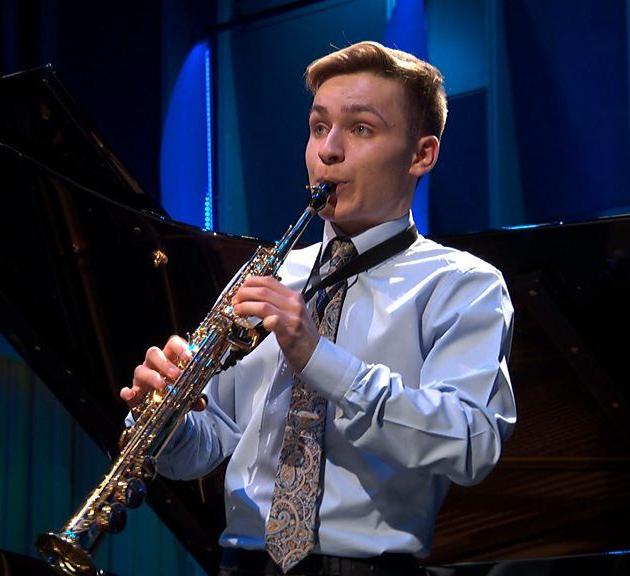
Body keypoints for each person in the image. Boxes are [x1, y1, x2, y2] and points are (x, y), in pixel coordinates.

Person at [120, 40, 516, 576]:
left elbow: (471, 443)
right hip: (240, 563)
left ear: (422, 154)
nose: (327, 152)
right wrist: (164, 418)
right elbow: (206, 448)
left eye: (360, 129)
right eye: (317, 127)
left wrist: (318, 357)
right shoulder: (269, 277)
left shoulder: (461, 284)